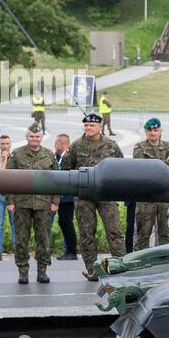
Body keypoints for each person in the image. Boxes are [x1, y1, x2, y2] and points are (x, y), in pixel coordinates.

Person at [61, 113, 125, 280]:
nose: (89, 128)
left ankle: (120, 267)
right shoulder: (76, 146)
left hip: (106, 194)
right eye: (87, 125)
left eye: (92, 125)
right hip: (84, 196)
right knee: (87, 233)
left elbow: (121, 166)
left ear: (100, 126)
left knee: (114, 231)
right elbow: (67, 168)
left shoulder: (111, 145)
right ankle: (91, 269)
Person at [6, 125, 59, 284]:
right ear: (27, 137)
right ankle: (23, 271)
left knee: (43, 239)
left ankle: (42, 271)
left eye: (37, 137)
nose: (34, 139)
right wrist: (10, 201)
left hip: (43, 204)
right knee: (21, 240)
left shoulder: (49, 155)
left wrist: (55, 201)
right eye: (31, 136)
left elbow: (57, 179)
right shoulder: (17, 154)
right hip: (22, 203)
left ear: (42, 137)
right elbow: (8, 179)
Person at [131, 118, 169, 251]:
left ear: (160, 131)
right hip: (147, 197)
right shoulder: (139, 147)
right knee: (142, 235)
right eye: (150, 130)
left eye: (155, 130)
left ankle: (164, 264)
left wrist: (157, 165)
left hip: (165, 197)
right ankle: (139, 265)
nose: (153, 133)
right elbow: (142, 169)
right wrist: (165, 163)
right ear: (146, 132)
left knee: (165, 234)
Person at [53, 134, 78, 260]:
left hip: (67, 197)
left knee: (66, 222)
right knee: (63, 222)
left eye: (58, 143)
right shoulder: (56, 157)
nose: (56, 145)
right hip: (60, 196)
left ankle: (71, 250)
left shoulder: (68, 157)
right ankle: (69, 249)